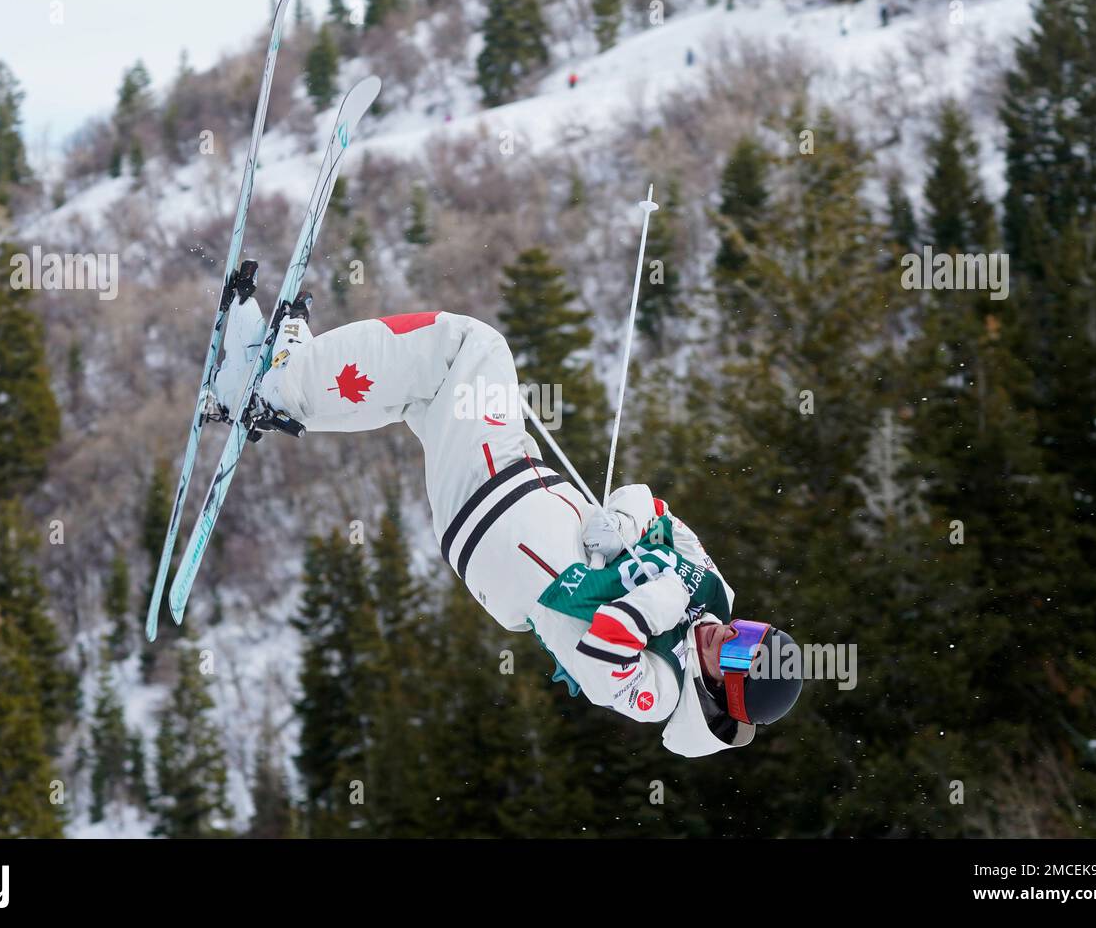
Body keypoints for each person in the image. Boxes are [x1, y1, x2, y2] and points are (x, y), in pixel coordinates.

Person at [211, 265, 803, 756]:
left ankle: (273, 388)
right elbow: (657, 511)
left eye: (735, 655)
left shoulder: (662, 695)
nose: (729, 633)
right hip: (520, 482)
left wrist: (662, 598)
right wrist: (622, 522)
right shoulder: (717, 594)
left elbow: (606, 647)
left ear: (726, 693)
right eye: (749, 633)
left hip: (501, 531)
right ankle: (287, 388)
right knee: (426, 389)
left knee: (471, 348)